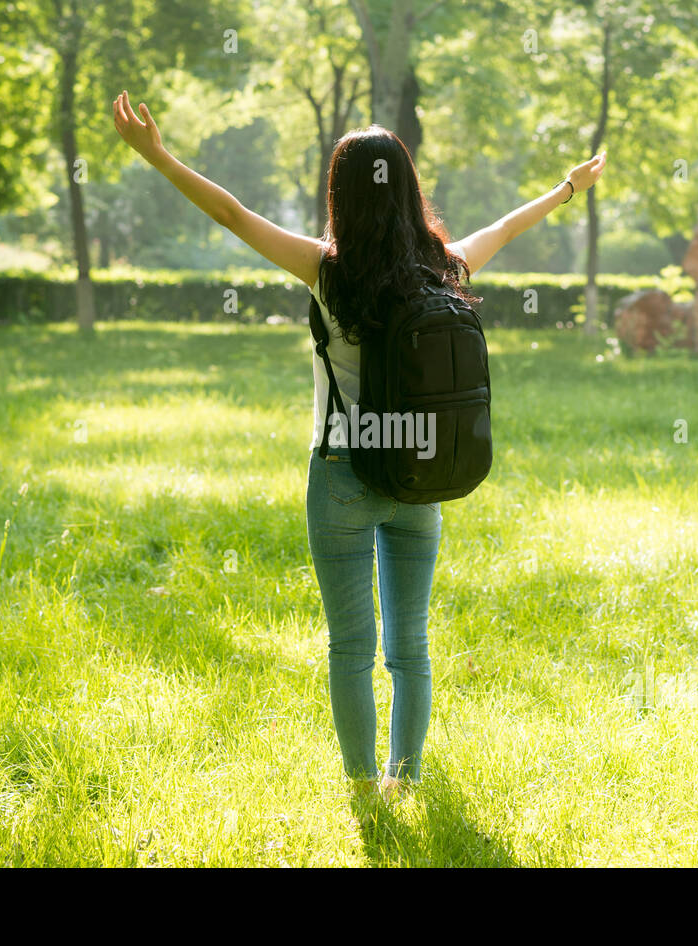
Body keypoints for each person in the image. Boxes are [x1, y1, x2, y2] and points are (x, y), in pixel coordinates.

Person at [112, 91, 606, 804]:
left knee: (352, 645)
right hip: (418, 475)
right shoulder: (446, 266)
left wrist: (158, 156)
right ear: (408, 188)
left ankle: (361, 791)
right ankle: (404, 779)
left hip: (344, 472)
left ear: (340, 194)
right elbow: (505, 223)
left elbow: (231, 214)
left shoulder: (327, 269)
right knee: (410, 648)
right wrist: (568, 188)